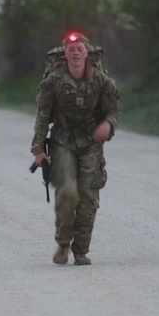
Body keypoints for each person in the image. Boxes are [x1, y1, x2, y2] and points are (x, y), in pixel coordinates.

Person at [31, 32, 120, 266]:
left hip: (91, 145)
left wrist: (108, 124)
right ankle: (62, 244)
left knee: (89, 197)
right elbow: (43, 115)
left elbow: (113, 110)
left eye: (80, 49)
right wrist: (38, 149)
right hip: (63, 143)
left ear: (87, 53)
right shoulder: (54, 81)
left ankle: (80, 251)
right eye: (71, 49)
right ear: (65, 54)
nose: (75, 53)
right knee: (68, 193)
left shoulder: (102, 81)